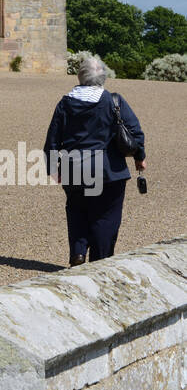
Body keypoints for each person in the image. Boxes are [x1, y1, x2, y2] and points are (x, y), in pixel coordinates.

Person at [44, 54, 146, 266]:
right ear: (103, 78)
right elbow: (134, 132)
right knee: (106, 217)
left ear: (80, 76)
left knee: (77, 211)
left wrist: (53, 168)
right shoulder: (113, 100)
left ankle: (78, 253)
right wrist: (139, 158)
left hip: (74, 169)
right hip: (109, 171)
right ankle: (99, 263)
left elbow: (53, 139)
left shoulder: (65, 103)